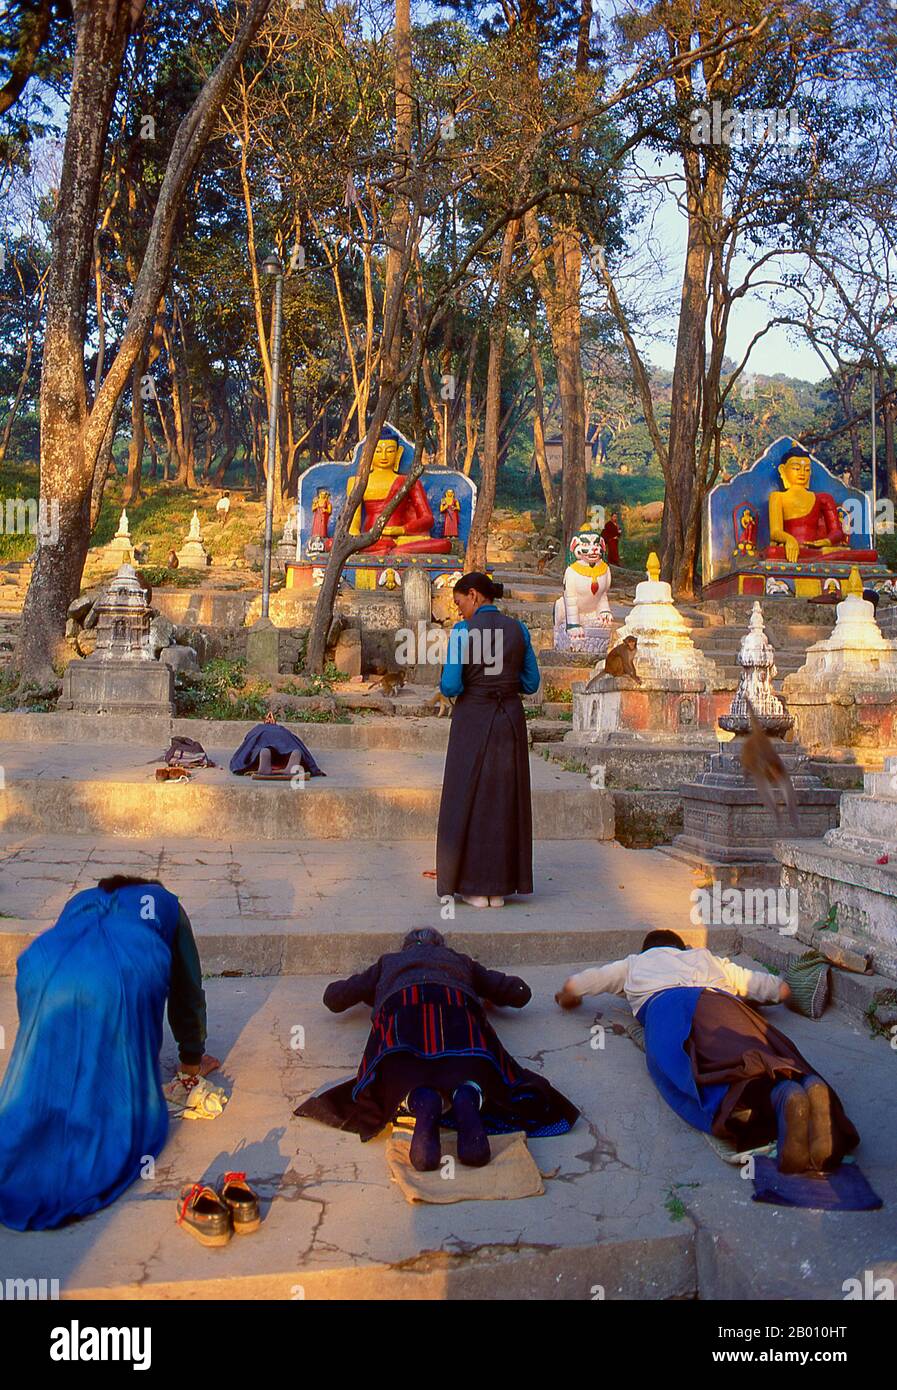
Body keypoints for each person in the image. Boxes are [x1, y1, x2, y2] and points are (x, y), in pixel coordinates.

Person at [0, 876, 210, 1231]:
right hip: (113, 974)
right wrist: (192, 1059)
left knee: (47, 1068)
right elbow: (187, 987)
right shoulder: (166, 903)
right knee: (116, 1069)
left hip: (41, 965)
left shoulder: (82, 897)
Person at [556, 930, 859, 1175]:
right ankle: (801, 1086)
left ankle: (778, 1105)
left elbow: (585, 982)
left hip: (668, 1010)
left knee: (687, 1071)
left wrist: (567, 994)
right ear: (683, 947)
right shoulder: (706, 958)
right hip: (723, 1005)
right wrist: (783, 991)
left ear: (647, 949)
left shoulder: (634, 963)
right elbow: (770, 988)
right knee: (757, 1051)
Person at [295, 928, 578, 1171]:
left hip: (402, 1039)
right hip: (462, 1035)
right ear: (440, 944)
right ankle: (467, 1094)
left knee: (397, 1076)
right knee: (481, 1073)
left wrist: (374, 990)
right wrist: (488, 991)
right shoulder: (460, 961)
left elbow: (333, 998)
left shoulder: (388, 962)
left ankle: (421, 1099)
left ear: (406, 946)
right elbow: (519, 993)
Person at [436, 571, 540, 909]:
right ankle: (500, 888)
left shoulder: (463, 633)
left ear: (475, 596)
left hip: (473, 720)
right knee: (504, 799)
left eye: (460, 602)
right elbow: (531, 683)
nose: (459, 611)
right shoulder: (519, 630)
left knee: (468, 796)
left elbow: (450, 686)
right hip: (509, 720)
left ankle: (472, 885)